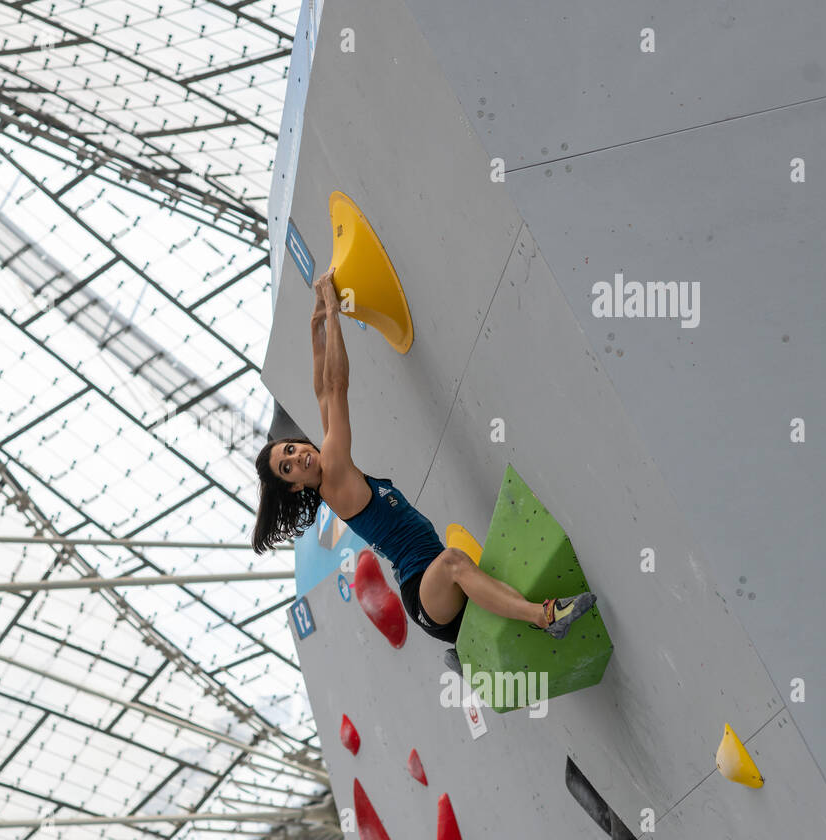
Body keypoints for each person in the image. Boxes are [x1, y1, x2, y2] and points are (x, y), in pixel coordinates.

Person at [253, 267, 596, 645]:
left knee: (458, 560)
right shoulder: (333, 472)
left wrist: (316, 320)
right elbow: (336, 386)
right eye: (287, 467)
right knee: (453, 559)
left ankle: (474, 649)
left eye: (290, 448)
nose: (297, 456)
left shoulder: (331, 464)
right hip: (424, 597)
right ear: (294, 486)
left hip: (435, 590)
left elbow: (320, 390)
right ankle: (547, 617)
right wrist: (332, 309)